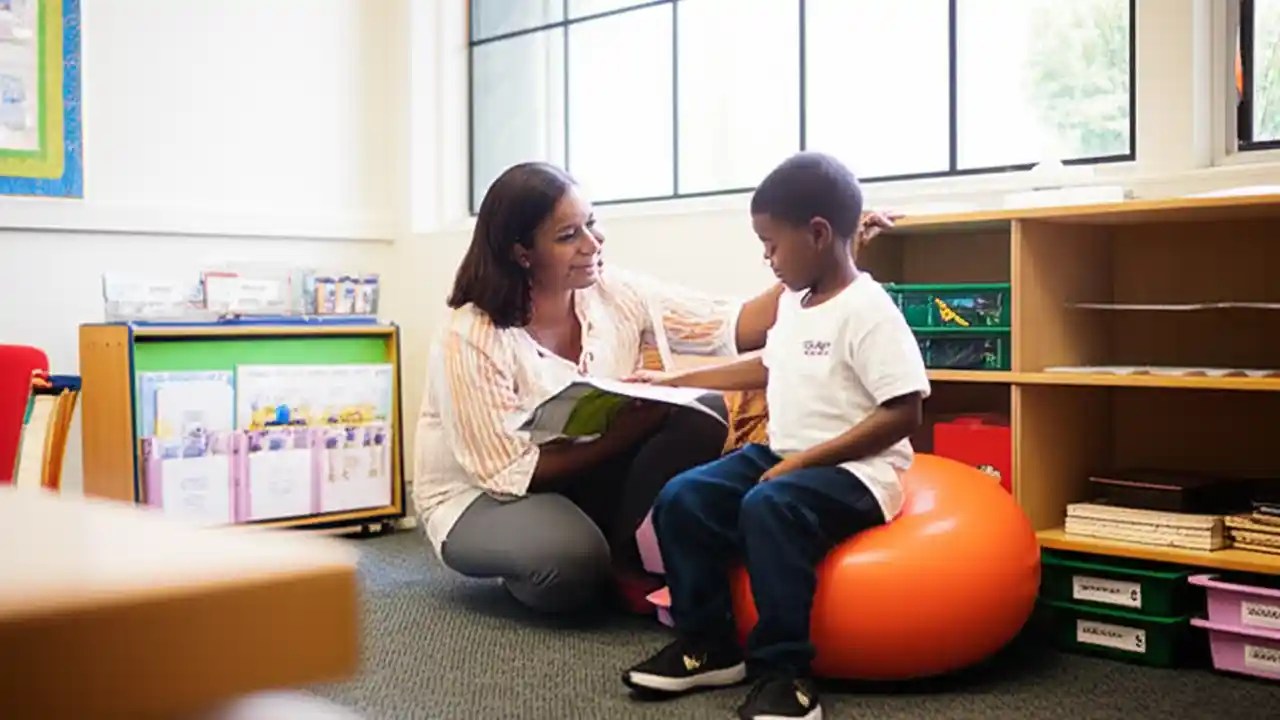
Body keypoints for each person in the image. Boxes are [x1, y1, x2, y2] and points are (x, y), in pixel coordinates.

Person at [413, 160, 899, 616]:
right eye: (568, 236)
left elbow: (733, 324)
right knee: (568, 568)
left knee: (700, 411)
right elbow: (509, 472)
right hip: (485, 494)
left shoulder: (612, 292)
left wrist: (833, 252)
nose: (593, 242)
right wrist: (628, 431)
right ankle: (551, 554)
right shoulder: (471, 335)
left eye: (591, 223)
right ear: (523, 253)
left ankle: (620, 553)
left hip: (580, 467)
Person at [620, 152, 931, 720]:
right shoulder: (796, 301)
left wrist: (801, 464)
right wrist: (674, 378)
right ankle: (708, 645)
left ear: (817, 234)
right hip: (786, 455)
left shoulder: (869, 310)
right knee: (682, 498)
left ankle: (785, 675)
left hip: (856, 472)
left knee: (769, 506)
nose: (767, 259)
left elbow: (904, 413)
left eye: (770, 244)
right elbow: (769, 364)